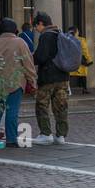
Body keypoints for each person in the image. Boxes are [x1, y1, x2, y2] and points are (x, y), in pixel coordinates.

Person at [0, 18, 36, 147]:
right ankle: (12, 139)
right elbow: (27, 63)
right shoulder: (20, 42)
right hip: (15, 83)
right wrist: (33, 81)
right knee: (12, 112)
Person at [31, 11, 70, 144]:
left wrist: (31, 57)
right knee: (61, 106)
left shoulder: (46, 36)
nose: (35, 29)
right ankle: (61, 135)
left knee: (42, 105)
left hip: (48, 77)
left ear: (41, 23)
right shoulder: (59, 33)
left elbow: (40, 57)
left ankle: (45, 134)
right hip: (63, 77)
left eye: (36, 26)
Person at [68, 27, 91, 94]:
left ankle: (67, 89)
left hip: (70, 60)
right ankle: (84, 89)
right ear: (76, 32)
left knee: (69, 74)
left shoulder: (67, 39)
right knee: (83, 74)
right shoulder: (81, 40)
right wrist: (89, 59)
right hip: (80, 59)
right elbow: (85, 50)